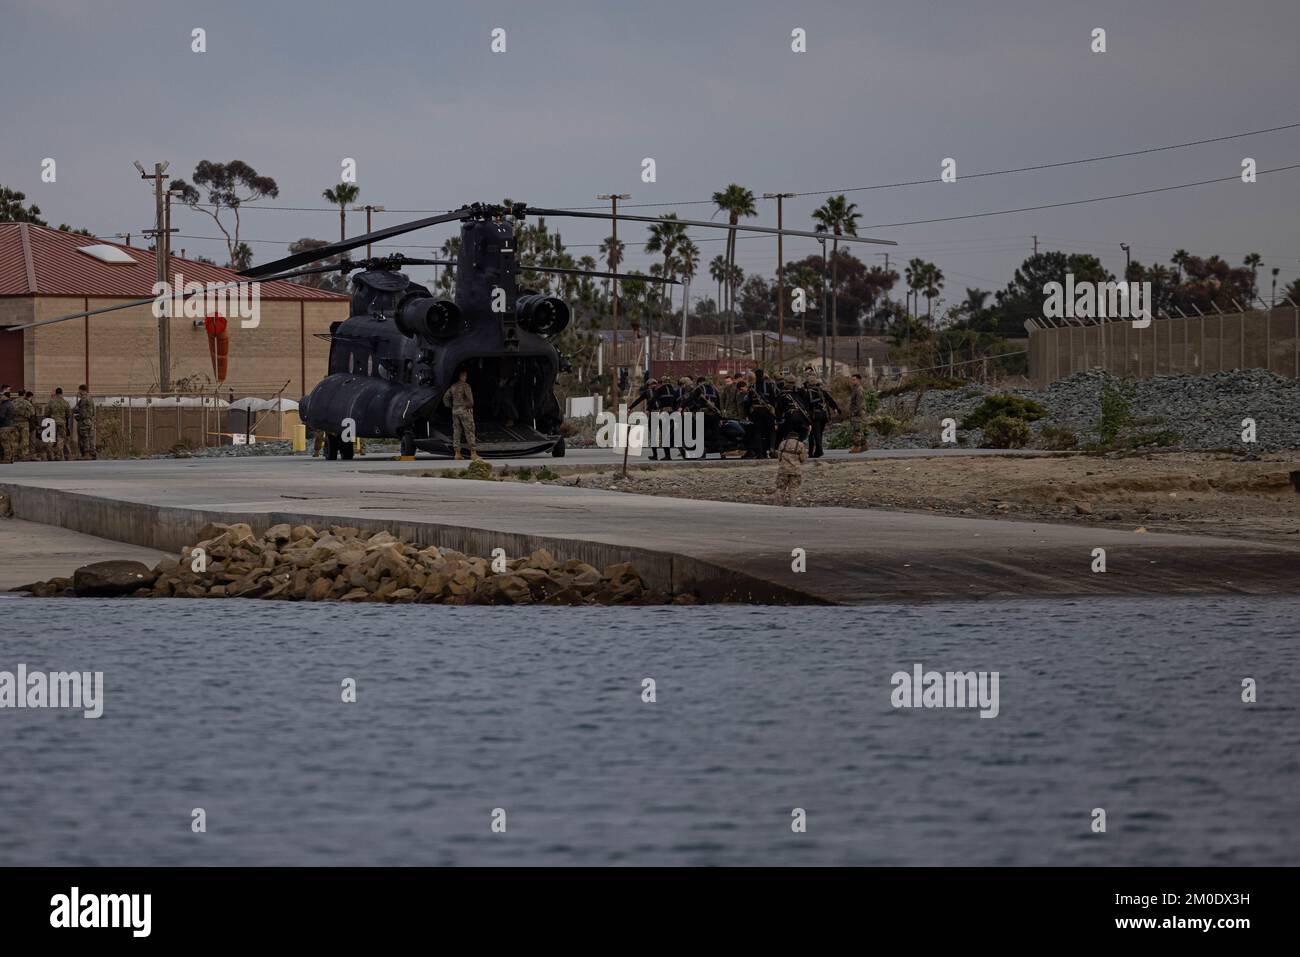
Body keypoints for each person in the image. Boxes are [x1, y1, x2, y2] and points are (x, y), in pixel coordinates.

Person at [443, 368, 482, 460]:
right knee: (469, 430)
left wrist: (450, 406)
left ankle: (457, 453)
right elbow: (470, 399)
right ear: (464, 376)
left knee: (457, 431)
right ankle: (473, 453)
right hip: (464, 411)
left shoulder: (453, 386)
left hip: (455, 411)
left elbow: (445, 398)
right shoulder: (466, 386)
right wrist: (469, 407)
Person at [802, 376, 840, 458]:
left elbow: (805, 407)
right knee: (818, 433)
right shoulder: (822, 391)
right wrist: (836, 409)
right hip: (824, 415)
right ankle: (813, 452)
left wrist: (806, 419)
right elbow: (831, 400)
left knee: (815, 434)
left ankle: (819, 451)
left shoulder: (807, 393)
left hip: (815, 416)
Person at [772, 426, 808, 506]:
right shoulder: (800, 444)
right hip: (795, 470)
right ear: (797, 437)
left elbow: (779, 457)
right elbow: (802, 458)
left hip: (783, 470)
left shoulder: (782, 443)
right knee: (794, 489)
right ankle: (793, 504)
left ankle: (778, 504)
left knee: (780, 488)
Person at [46, 387, 73, 461]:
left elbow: (46, 413)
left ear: (55, 393)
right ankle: (58, 455)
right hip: (61, 422)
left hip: (52, 422)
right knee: (60, 439)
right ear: (62, 393)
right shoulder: (65, 402)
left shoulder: (51, 402)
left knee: (51, 438)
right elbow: (69, 414)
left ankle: (50, 455)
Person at [10, 389, 34, 461]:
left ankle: (14, 455)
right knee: (25, 439)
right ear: (24, 394)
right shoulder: (26, 402)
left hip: (14, 422)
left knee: (14, 439)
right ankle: (23, 455)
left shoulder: (13, 402)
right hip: (24, 422)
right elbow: (32, 412)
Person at [74, 384, 96, 460]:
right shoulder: (90, 398)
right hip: (90, 421)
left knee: (84, 437)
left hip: (84, 421)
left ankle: (86, 454)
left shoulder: (83, 399)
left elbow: (80, 411)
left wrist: (77, 417)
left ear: (81, 390)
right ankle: (92, 453)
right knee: (90, 437)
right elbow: (93, 411)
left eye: (79, 390)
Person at [848, 373, 869, 453]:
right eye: (852, 380)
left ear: (859, 380)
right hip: (856, 412)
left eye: (854, 380)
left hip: (858, 413)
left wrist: (854, 412)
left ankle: (856, 447)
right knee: (859, 429)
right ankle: (864, 445)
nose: (852, 381)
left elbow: (859, 404)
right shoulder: (855, 389)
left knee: (856, 430)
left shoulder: (859, 390)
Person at [0, 390, 17, 464]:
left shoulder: (4, 405)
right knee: (11, 442)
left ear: (5, 397)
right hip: (11, 425)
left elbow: (1, 416)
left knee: (5, 443)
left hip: (5, 426)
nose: (1, 397)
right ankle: (11, 457)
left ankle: (7, 458)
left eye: (2, 396)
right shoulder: (11, 404)